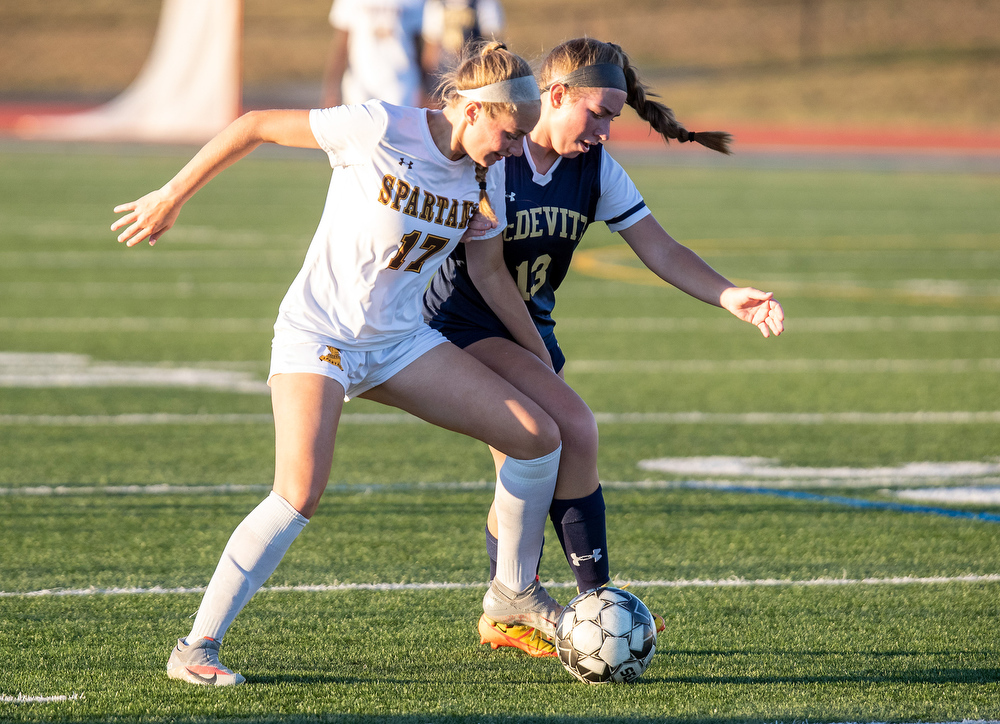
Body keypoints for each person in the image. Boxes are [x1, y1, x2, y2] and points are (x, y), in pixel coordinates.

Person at [112, 41, 566, 686]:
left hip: (399, 343)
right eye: (510, 132)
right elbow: (256, 125)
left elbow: (491, 274)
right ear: (470, 109)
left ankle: (514, 592)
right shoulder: (381, 126)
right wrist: (172, 194)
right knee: (298, 492)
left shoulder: (482, 174)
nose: (516, 148)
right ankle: (196, 647)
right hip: (318, 334)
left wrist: (539, 358)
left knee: (536, 437)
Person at [423, 37, 785, 657]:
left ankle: (513, 608)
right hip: (461, 323)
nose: (607, 130)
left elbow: (661, 248)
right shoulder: (500, 152)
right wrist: (537, 354)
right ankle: (599, 601)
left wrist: (728, 295)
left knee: (523, 473)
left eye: (616, 116)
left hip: (527, 327)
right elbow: (485, 274)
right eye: (600, 113)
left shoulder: (592, 168)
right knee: (573, 430)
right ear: (555, 95)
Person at [322, 0, 427, 108]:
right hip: (360, 80)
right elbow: (342, 43)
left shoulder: (415, 2)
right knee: (358, 123)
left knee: (397, 124)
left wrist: (424, 87)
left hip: (400, 81)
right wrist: (332, 89)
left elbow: (420, 45)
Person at [421, 0, 505, 81]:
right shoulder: (436, 5)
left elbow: (492, 44)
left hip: (477, 68)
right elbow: (431, 49)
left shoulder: (485, 4)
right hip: (445, 70)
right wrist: (427, 82)